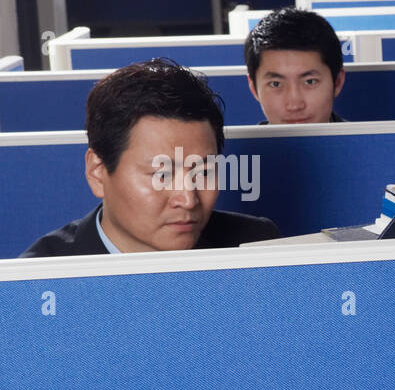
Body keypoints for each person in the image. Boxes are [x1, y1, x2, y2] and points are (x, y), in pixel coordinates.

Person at [21, 59, 279, 258]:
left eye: (202, 172)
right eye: (162, 175)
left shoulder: (255, 246)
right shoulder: (34, 285)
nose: (188, 199)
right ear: (98, 172)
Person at [245, 7, 347, 124]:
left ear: (338, 82)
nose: (294, 105)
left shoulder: (368, 142)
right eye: (275, 84)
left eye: (310, 82)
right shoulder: (229, 143)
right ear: (254, 89)